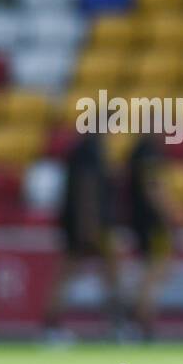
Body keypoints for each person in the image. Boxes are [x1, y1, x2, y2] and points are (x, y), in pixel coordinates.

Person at [44, 130, 122, 341]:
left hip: (81, 222)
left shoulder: (83, 149)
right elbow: (87, 189)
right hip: (90, 224)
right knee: (105, 274)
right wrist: (89, 226)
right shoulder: (90, 151)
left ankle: (51, 326)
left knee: (103, 274)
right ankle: (117, 325)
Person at [123, 132, 176, 341]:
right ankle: (140, 325)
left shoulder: (136, 151)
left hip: (140, 220)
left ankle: (136, 324)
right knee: (154, 273)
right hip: (153, 223)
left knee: (149, 273)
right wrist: (170, 215)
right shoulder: (149, 153)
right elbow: (154, 189)